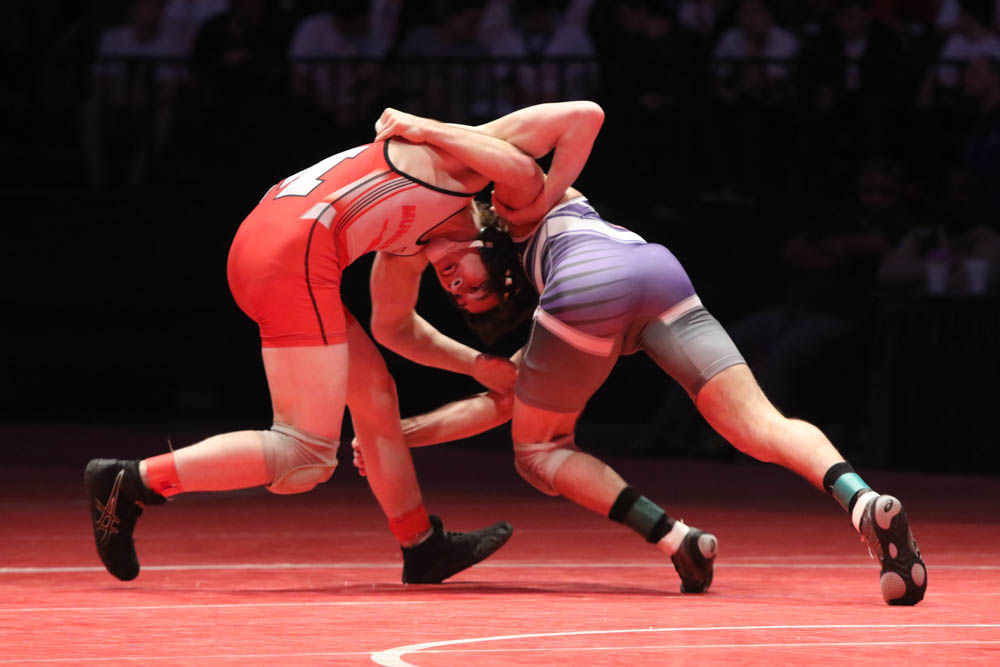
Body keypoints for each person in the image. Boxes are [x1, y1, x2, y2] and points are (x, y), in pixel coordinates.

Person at [365, 101, 928, 605]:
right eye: (461, 293)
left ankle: (673, 537)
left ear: (499, 267)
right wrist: (395, 435)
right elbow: (497, 398)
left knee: (538, 452)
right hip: (654, 269)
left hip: (592, 281)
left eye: (465, 285)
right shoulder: (537, 234)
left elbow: (574, 119)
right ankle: (861, 500)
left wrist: (422, 126)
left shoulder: (510, 211)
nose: (456, 289)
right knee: (759, 423)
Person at [84, 106, 555, 584]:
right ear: (496, 253)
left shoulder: (418, 241)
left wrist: (476, 365)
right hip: (295, 251)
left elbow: (394, 329)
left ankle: (422, 544)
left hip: (267, 242)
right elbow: (575, 123)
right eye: (478, 288)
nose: (457, 288)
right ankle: (133, 481)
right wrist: (424, 126)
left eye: (463, 300)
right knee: (304, 455)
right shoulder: (462, 177)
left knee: (374, 395)